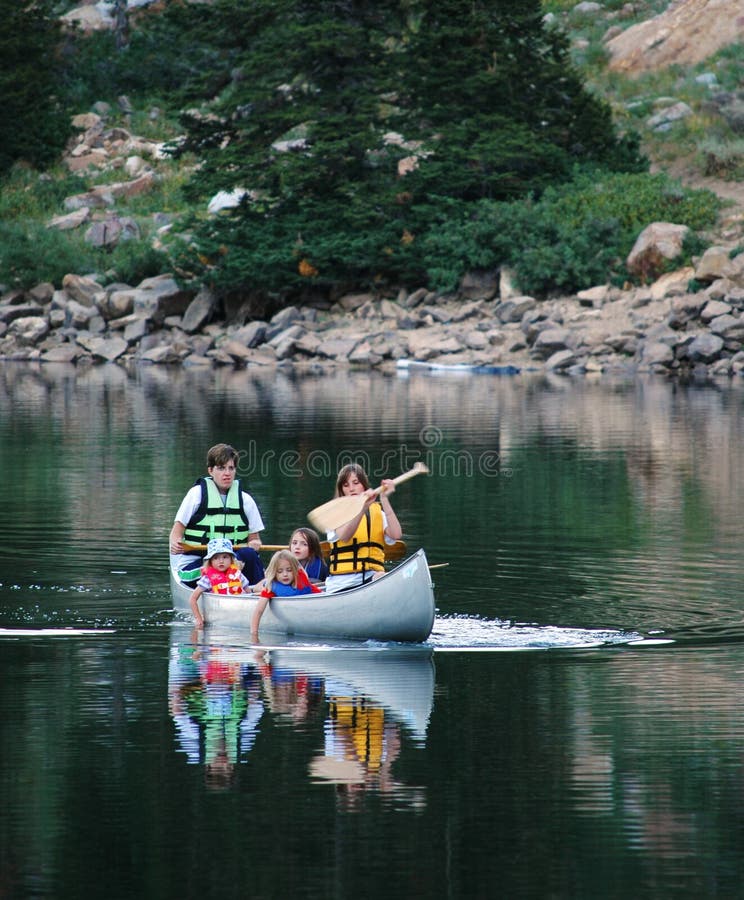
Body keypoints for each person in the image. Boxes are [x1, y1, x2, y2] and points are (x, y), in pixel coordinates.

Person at [169, 442, 265, 587]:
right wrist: (175, 544)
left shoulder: (246, 500)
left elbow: (254, 539)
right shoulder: (196, 495)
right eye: (221, 468)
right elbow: (176, 534)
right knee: (225, 565)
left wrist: (255, 544)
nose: (227, 473)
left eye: (231, 468)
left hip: (233, 560)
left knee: (249, 555)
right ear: (210, 470)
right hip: (198, 563)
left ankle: (258, 592)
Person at [324, 463, 402, 594]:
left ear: (364, 485)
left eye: (356, 483)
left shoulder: (377, 513)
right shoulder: (335, 513)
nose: (351, 489)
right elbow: (345, 536)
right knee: (382, 578)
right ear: (341, 490)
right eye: (346, 485)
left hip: (372, 578)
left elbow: (396, 535)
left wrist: (384, 499)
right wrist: (363, 509)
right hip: (342, 584)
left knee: (381, 576)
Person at [251, 549, 321, 638]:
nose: (285, 574)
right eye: (280, 571)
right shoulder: (271, 588)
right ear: (274, 573)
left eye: (289, 570)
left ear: (295, 570)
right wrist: (254, 634)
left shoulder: (302, 579)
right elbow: (258, 611)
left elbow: (298, 566)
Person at [188, 538, 253, 628]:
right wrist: (198, 618)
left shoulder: (238, 575)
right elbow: (193, 599)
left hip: (238, 612)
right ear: (210, 561)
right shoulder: (207, 579)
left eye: (225, 557)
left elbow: (250, 595)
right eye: (216, 558)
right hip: (219, 615)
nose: (221, 561)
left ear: (231, 559)